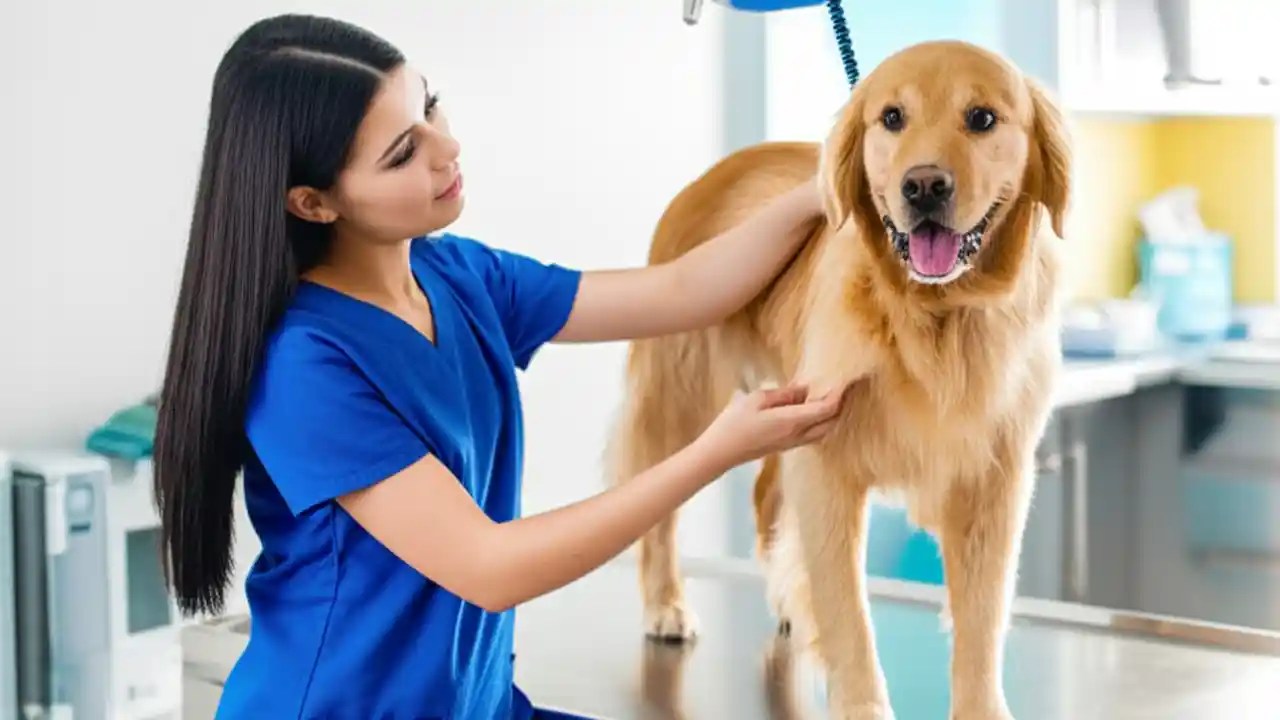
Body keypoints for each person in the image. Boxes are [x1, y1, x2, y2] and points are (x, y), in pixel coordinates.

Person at [153, 13, 845, 720]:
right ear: (314, 202)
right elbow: (489, 567)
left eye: (428, 103)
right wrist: (718, 452)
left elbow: (684, 290)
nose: (447, 147)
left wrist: (823, 190)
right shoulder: (306, 366)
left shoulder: (456, 275)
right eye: (402, 153)